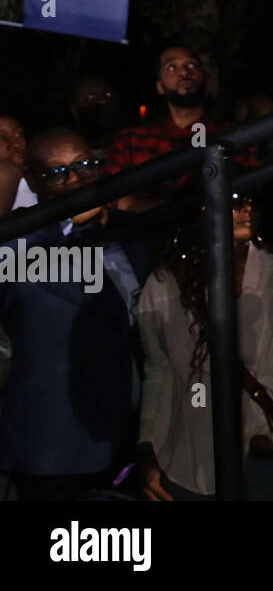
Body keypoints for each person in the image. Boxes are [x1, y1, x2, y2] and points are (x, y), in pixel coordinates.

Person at [0, 129, 153, 500]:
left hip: (131, 435)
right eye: (56, 172)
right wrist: (65, 229)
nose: (73, 180)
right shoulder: (17, 241)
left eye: (84, 166)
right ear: (33, 181)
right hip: (52, 448)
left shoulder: (131, 232)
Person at [136, 194, 273, 500]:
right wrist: (149, 450)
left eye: (249, 200)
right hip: (189, 458)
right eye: (233, 201)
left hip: (265, 450)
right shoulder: (164, 284)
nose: (246, 209)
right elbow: (159, 371)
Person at [103, 44, 255, 208]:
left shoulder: (231, 135)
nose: (184, 72)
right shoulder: (132, 140)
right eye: (172, 67)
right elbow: (111, 196)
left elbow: (250, 187)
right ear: (159, 86)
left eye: (191, 65)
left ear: (204, 78)